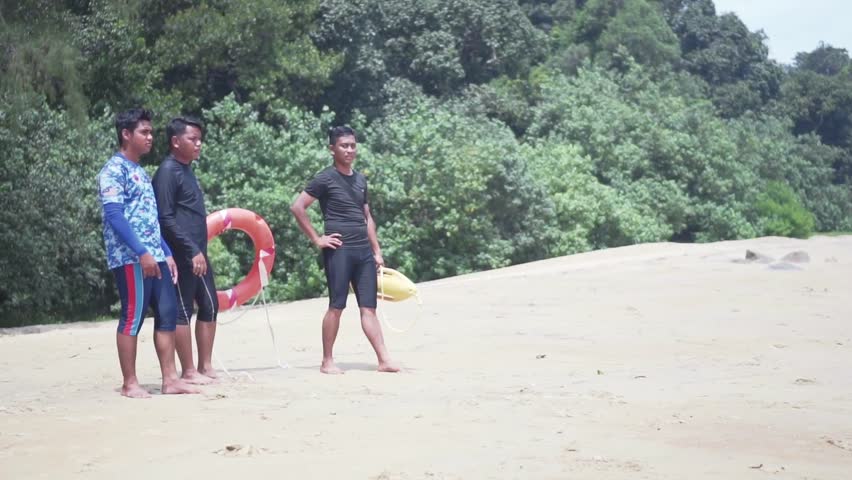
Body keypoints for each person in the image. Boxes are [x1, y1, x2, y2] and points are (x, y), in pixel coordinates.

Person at [97, 108, 198, 398]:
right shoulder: (112, 170)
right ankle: (130, 383)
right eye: (144, 132)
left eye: (151, 132)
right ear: (126, 135)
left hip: (156, 254)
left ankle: (170, 379)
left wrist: (165, 251)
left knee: (167, 314)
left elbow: (150, 220)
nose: (150, 137)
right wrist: (141, 252)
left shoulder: (141, 171)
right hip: (131, 257)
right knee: (133, 316)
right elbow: (115, 216)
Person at [290, 126, 400, 374]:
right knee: (337, 305)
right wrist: (318, 239)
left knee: (369, 307)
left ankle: (384, 359)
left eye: (352, 145)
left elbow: (366, 216)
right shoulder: (325, 178)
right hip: (339, 250)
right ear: (332, 149)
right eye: (344, 146)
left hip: (363, 252)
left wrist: (377, 250)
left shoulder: (361, 179)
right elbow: (298, 207)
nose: (349, 150)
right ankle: (327, 361)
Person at [152, 116, 218, 383]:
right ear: (176, 141)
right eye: (193, 139)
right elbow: (164, 218)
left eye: (200, 139)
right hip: (182, 253)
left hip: (198, 251)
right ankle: (188, 370)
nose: (198, 144)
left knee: (210, 305)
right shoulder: (168, 171)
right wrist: (190, 249)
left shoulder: (187, 170)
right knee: (182, 310)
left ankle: (205, 365)